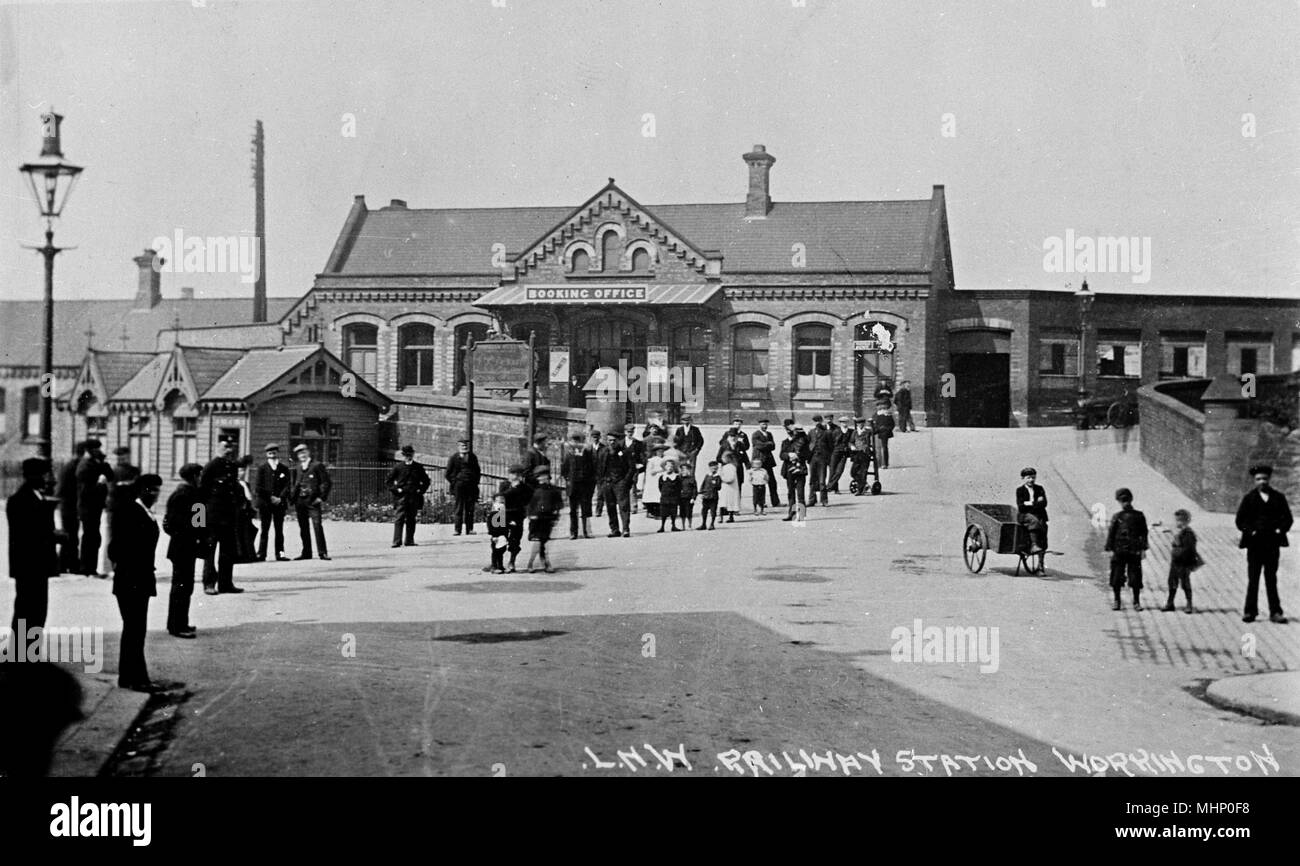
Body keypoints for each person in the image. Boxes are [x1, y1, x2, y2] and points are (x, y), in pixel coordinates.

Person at [110, 473, 165, 692]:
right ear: (140, 490)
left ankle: (131, 677)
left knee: (135, 630)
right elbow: (115, 548)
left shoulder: (145, 512)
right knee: (134, 629)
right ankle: (136, 679)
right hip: (131, 580)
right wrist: (129, 566)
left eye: (157, 490)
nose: (154, 494)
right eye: (150, 490)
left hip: (139, 579)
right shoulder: (130, 512)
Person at [1235, 464, 1292, 624]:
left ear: (1269, 480)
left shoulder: (1278, 498)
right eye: (1258, 479)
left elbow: (1287, 518)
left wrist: (1280, 531)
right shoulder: (1249, 498)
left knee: (1271, 578)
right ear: (1254, 481)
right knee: (1253, 578)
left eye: (1265, 479)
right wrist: (1250, 531)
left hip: (1272, 544)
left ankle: (1275, 612)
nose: (1262, 482)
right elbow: (1240, 520)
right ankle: (1250, 611)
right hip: (1254, 544)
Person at [7, 457, 58, 636]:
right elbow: (28, 534)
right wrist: (53, 536)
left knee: (36, 611)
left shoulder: (36, 497)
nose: (48, 478)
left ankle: (28, 653)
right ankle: (21, 655)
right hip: (29, 565)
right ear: (33, 476)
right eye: (45, 474)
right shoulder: (20, 500)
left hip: (36, 565)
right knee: (28, 610)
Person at [164, 463, 206, 638]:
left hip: (184, 546)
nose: (202, 478)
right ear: (194, 476)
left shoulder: (186, 493)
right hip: (184, 547)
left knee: (184, 586)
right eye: (200, 475)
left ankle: (180, 622)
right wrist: (195, 536)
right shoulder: (186, 495)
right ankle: (177, 626)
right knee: (182, 587)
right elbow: (173, 524)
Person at [200, 436, 246, 591]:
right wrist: (197, 523)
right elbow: (200, 495)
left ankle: (226, 584)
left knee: (228, 552)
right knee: (210, 552)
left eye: (231, 447)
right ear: (217, 447)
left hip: (228, 517)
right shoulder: (210, 467)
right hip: (212, 518)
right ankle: (209, 583)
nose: (229, 450)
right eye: (225, 446)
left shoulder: (232, 467)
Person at [98, 446, 140, 578]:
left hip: (127, 509)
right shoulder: (112, 471)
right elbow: (112, 489)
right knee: (111, 538)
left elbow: (138, 487)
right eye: (119, 457)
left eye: (124, 456)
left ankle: (122, 567)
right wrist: (128, 485)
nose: (121, 459)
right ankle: (107, 568)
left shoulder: (134, 471)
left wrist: (125, 485)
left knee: (126, 538)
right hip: (114, 509)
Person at [1105, 487, 1148, 611]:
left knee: (1135, 577)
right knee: (1116, 576)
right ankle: (1117, 600)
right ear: (1119, 502)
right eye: (1123, 501)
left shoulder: (1139, 516)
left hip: (1134, 550)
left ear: (1131, 500)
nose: (1125, 503)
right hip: (1119, 550)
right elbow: (1112, 533)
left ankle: (1136, 601)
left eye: (1127, 500)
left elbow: (1144, 533)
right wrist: (1109, 548)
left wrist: (1143, 549)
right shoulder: (1117, 517)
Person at [290, 443, 331, 561]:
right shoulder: (298, 467)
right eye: (299, 453)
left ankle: (322, 552)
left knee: (317, 525)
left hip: (313, 501)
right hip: (300, 501)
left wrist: (321, 497)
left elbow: (326, 482)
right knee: (303, 527)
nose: (302, 455)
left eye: (303, 452)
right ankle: (306, 552)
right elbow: (295, 484)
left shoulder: (317, 465)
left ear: (308, 452)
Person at [75, 439, 110, 577]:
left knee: (94, 537)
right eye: (97, 449)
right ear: (90, 450)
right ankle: (86, 568)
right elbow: (86, 491)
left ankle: (91, 568)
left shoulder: (95, 463)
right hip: (87, 507)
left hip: (94, 507)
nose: (100, 451)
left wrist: (103, 463)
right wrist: (100, 484)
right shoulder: (84, 466)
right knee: (90, 537)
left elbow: (110, 475)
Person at [387, 445, 431, 548]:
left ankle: (409, 540)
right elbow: (388, 481)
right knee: (399, 518)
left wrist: (421, 490)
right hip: (401, 496)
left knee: (411, 518)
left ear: (413, 454)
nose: (408, 457)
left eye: (410, 455)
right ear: (403, 455)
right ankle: (397, 541)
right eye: (406, 455)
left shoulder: (418, 467)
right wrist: (396, 489)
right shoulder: (398, 467)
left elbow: (426, 481)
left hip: (413, 496)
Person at [254, 443, 291, 562]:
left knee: (279, 530)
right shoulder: (262, 469)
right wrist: (271, 497)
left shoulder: (284, 469)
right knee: (264, 530)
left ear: (277, 454)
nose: (272, 456)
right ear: (266, 455)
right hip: (266, 504)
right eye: (270, 454)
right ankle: (261, 554)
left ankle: (280, 554)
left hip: (279, 504)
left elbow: (287, 485)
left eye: (274, 453)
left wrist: (280, 498)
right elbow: (258, 487)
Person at [597, 430, 637, 538]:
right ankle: (614, 529)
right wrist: (602, 481)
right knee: (610, 507)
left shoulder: (625, 451)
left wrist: (625, 481)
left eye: (614, 440)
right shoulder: (603, 452)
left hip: (620, 482)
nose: (612, 442)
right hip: (607, 482)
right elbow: (599, 468)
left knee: (624, 506)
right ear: (607, 440)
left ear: (618, 441)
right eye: (609, 440)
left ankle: (625, 529)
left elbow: (631, 468)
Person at [56, 441, 86, 574]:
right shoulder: (73, 467)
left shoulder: (70, 466)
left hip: (69, 507)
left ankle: (66, 564)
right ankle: (67, 565)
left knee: (71, 536)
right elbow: (62, 489)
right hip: (69, 507)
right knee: (70, 536)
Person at [526, 466, 563, 573]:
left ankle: (545, 562)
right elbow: (530, 505)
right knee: (537, 542)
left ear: (548, 477)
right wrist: (530, 515)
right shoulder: (534, 490)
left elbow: (558, 504)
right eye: (540, 477)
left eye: (544, 476)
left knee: (543, 542)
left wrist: (556, 517)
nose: (542, 479)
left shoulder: (554, 490)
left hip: (548, 518)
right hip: (536, 519)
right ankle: (531, 563)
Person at [561, 432, 596, 540]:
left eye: (578, 440)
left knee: (585, 509)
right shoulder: (568, 453)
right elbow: (564, 468)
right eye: (574, 440)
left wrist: (589, 482)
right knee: (573, 510)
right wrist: (568, 480)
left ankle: (586, 531)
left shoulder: (587, 452)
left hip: (584, 484)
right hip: (573, 485)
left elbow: (592, 467)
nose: (576, 443)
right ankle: (573, 532)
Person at [1163, 509, 1200, 614]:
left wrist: (1177, 543)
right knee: (1172, 582)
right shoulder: (1180, 533)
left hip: (1184, 563)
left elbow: (1189, 549)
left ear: (1186, 522)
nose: (1177, 523)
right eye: (1177, 520)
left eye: (1180, 521)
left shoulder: (1188, 533)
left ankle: (1189, 603)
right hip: (1175, 562)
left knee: (1185, 583)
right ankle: (1170, 603)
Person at [445, 439, 481, 536]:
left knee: (470, 508)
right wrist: (455, 481)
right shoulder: (454, 458)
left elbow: (477, 471)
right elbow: (447, 473)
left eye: (465, 446)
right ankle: (457, 529)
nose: (464, 448)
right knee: (459, 507)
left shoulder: (473, 457)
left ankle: (469, 529)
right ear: (458, 447)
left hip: (471, 486)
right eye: (462, 446)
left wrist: (475, 482)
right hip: (459, 486)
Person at [499, 465, 530, 571]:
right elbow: (502, 497)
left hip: (517, 516)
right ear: (509, 475)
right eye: (513, 474)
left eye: (518, 474)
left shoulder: (525, 487)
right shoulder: (504, 485)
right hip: (504, 514)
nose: (516, 476)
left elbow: (529, 500)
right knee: (500, 539)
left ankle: (512, 561)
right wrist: (513, 488)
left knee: (515, 540)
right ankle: (498, 563)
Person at [1014, 467, 1048, 555]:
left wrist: (1029, 503)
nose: (1031, 480)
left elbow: (1044, 504)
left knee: (1043, 529)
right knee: (1034, 520)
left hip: (1039, 514)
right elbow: (1021, 507)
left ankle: (1041, 563)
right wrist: (1036, 503)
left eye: (1033, 477)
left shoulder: (1039, 488)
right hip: (1025, 515)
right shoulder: (1020, 490)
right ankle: (1033, 545)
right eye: (1028, 478)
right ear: (1023, 478)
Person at [781, 427, 811, 521]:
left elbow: (808, 454)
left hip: (800, 469)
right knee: (791, 492)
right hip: (789, 469)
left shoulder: (804, 442)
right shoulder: (785, 442)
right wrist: (789, 455)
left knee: (800, 493)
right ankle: (792, 513)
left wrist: (798, 456)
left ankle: (801, 515)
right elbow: (781, 455)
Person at [235, 455, 259, 563]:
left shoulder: (246, 484)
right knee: (239, 535)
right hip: (237, 512)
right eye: (240, 471)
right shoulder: (234, 484)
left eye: (243, 470)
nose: (242, 473)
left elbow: (249, 498)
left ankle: (249, 555)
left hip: (245, 512)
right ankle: (239, 556)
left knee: (248, 533)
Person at [751, 419, 781, 508]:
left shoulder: (769, 434)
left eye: (766, 424)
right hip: (759, 461)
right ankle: (761, 503)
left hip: (768, 461)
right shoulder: (756, 434)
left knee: (772, 482)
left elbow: (773, 446)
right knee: (760, 482)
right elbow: (758, 445)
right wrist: (768, 444)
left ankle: (775, 502)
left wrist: (766, 445)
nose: (765, 426)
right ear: (759, 424)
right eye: (763, 424)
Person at [807, 416, 831, 506]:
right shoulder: (811, 432)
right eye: (815, 421)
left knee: (822, 480)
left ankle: (824, 500)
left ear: (821, 422)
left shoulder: (826, 433)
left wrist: (827, 459)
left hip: (822, 459)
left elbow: (830, 447)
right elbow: (808, 444)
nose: (817, 423)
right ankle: (812, 499)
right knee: (812, 479)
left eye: (818, 421)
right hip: (813, 458)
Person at [484, 493, 509, 574]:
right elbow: (491, 526)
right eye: (499, 501)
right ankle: (494, 566)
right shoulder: (494, 514)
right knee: (496, 551)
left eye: (503, 500)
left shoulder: (502, 514)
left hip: (503, 535)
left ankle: (500, 566)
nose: (502, 502)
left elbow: (503, 525)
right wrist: (494, 535)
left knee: (501, 551)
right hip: (497, 536)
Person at [826, 417, 851, 494]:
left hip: (844, 454)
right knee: (832, 471)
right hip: (835, 453)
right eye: (843, 422)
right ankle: (835, 489)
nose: (844, 424)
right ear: (840, 423)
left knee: (839, 471)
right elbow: (831, 442)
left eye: (846, 422)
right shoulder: (836, 431)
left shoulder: (850, 431)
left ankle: (828, 487)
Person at [657, 458, 682, 532]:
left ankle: (673, 525)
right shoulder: (662, 477)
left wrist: (676, 495)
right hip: (665, 497)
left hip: (673, 497)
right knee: (663, 512)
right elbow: (660, 487)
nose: (669, 468)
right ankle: (662, 526)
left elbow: (679, 487)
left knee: (673, 511)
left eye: (671, 466)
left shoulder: (677, 477)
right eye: (668, 466)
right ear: (665, 467)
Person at [642, 441, 665, 519]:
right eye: (659, 451)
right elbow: (650, 471)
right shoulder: (652, 460)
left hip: (661, 480)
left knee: (659, 496)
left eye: (662, 451)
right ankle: (651, 512)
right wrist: (661, 470)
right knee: (652, 496)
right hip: (653, 481)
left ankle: (658, 512)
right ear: (656, 452)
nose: (661, 452)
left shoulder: (664, 459)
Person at [718, 452, 741, 523]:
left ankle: (730, 516)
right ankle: (721, 517)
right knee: (723, 502)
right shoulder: (725, 467)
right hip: (725, 488)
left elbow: (730, 478)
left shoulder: (731, 467)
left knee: (730, 502)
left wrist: (722, 478)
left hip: (730, 488)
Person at [698, 462, 722, 530]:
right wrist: (701, 493)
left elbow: (719, 487)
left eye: (715, 468)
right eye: (712, 468)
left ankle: (712, 524)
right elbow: (703, 485)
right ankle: (703, 524)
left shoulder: (718, 477)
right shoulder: (707, 476)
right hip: (706, 496)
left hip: (713, 496)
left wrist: (715, 484)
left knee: (713, 511)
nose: (714, 469)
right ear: (709, 468)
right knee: (704, 510)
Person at [872, 402, 896, 469]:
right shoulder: (875, 415)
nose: (881, 408)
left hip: (884, 433)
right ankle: (878, 463)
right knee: (877, 448)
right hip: (877, 433)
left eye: (883, 406)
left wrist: (886, 429)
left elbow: (892, 424)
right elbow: (872, 424)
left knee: (884, 448)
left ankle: (884, 463)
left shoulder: (888, 415)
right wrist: (876, 429)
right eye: (879, 406)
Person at [678, 459, 698, 530]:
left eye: (686, 469)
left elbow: (695, 489)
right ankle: (682, 526)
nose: (684, 471)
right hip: (681, 498)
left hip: (689, 498)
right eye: (682, 470)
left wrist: (693, 498)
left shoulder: (691, 479)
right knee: (682, 512)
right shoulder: (679, 479)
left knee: (689, 512)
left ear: (689, 471)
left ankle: (689, 525)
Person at [749, 447, 768, 515]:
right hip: (755, 486)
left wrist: (765, 481)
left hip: (762, 485)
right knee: (755, 498)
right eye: (756, 464)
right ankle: (755, 509)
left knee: (762, 498)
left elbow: (766, 477)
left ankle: (762, 509)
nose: (757, 465)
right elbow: (750, 478)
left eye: (759, 464)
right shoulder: (752, 471)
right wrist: (751, 482)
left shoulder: (763, 471)